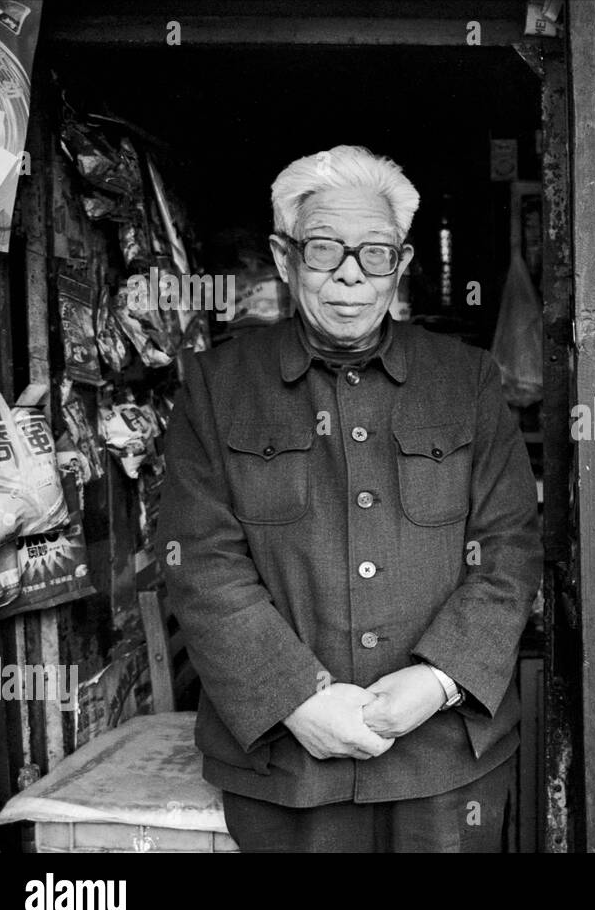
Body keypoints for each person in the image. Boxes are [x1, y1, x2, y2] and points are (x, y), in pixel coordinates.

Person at [159, 144, 542, 852]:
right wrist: (293, 696)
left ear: (400, 263)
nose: (349, 276)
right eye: (325, 249)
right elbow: (200, 562)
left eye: (374, 254)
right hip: (286, 764)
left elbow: (511, 548)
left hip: (446, 759)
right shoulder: (215, 388)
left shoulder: (469, 382)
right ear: (283, 256)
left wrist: (439, 682)